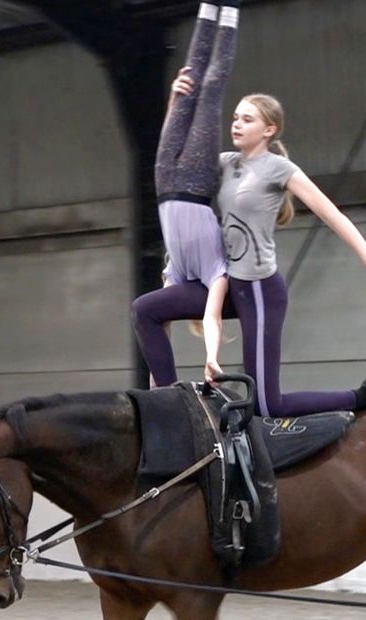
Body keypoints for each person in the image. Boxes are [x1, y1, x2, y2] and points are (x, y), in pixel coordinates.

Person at [209, 92, 366, 417]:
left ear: (269, 130)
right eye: (235, 118)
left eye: (247, 120)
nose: (237, 125)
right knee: (148, 309)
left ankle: (360, 397)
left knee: (266, 404)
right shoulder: (224, 162)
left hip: (260, 290)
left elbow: (330, 213)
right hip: (229, 285)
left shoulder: (278, 169)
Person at [132, 0, 240, 388]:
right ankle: (230, 11)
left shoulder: (174, 274)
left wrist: (154, 387)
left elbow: (157, 324)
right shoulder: (217, 274)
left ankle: (208, 6)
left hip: (164, 179)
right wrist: (212, 358)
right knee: (209, 89)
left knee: (186, 83)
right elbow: (212, 318)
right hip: (194, 183)